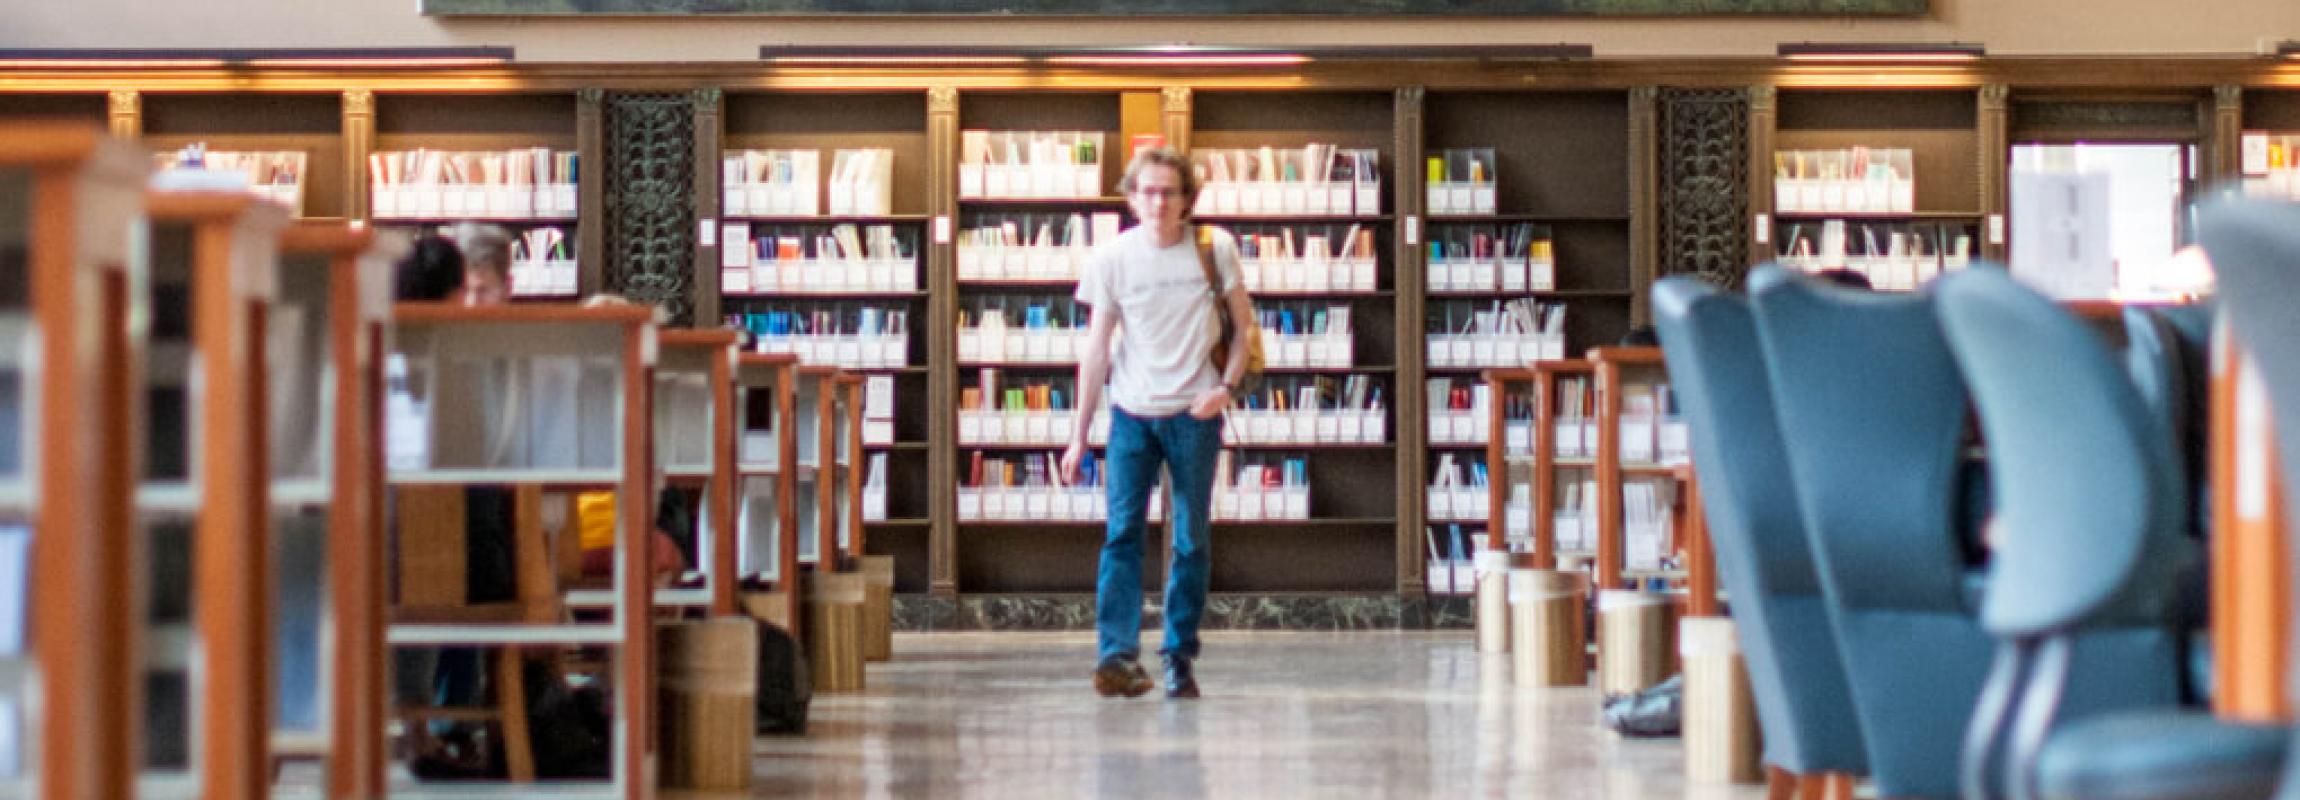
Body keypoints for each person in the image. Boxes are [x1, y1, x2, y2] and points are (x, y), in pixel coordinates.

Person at [1062, 147, 1255, 700]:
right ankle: (1117, 657)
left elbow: (1244, 328)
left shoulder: (1213, 248)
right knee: (1121, 536)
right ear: (1131, 197)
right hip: (1130, 416)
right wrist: (1078, 436)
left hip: (1194, 415)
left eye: (1169, 192)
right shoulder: (1113, 258)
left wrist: (1225, 389)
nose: (1158, 202)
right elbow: (1096, 349)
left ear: (1186, 199)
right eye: (1147, 191)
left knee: (1191, 538)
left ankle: (1177, 657)